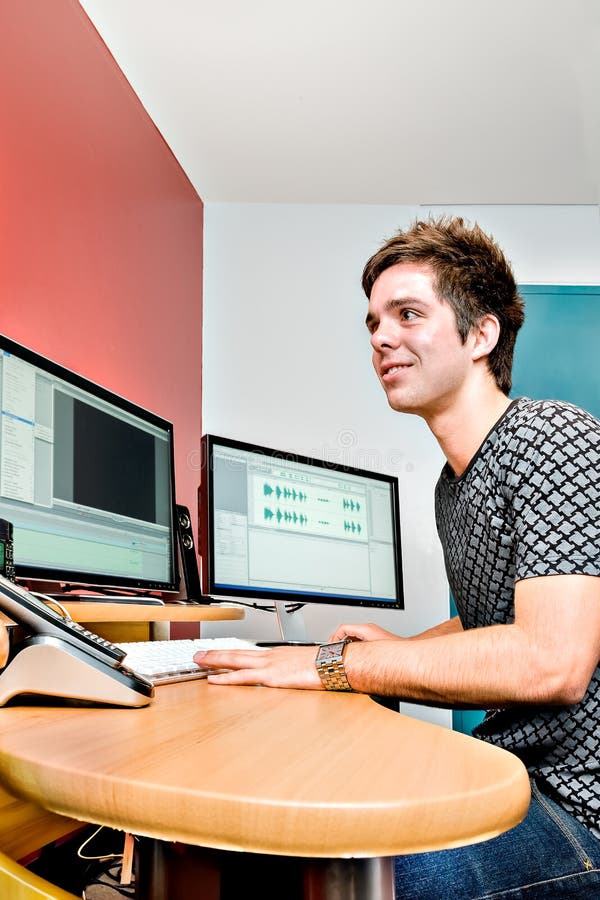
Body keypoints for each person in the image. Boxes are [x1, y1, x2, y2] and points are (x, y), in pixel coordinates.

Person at [194, 216, 600, 897]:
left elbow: (551, 660)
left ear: (481, 335)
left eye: (408, 314)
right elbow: (493, 618)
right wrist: (403, 648)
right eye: (374, 322)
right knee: (279, 832)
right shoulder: (452, 485)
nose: (381, 338)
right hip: (512, 773)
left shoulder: (550, 437)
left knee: (356, 873)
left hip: (580, 809)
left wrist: (330, 665)